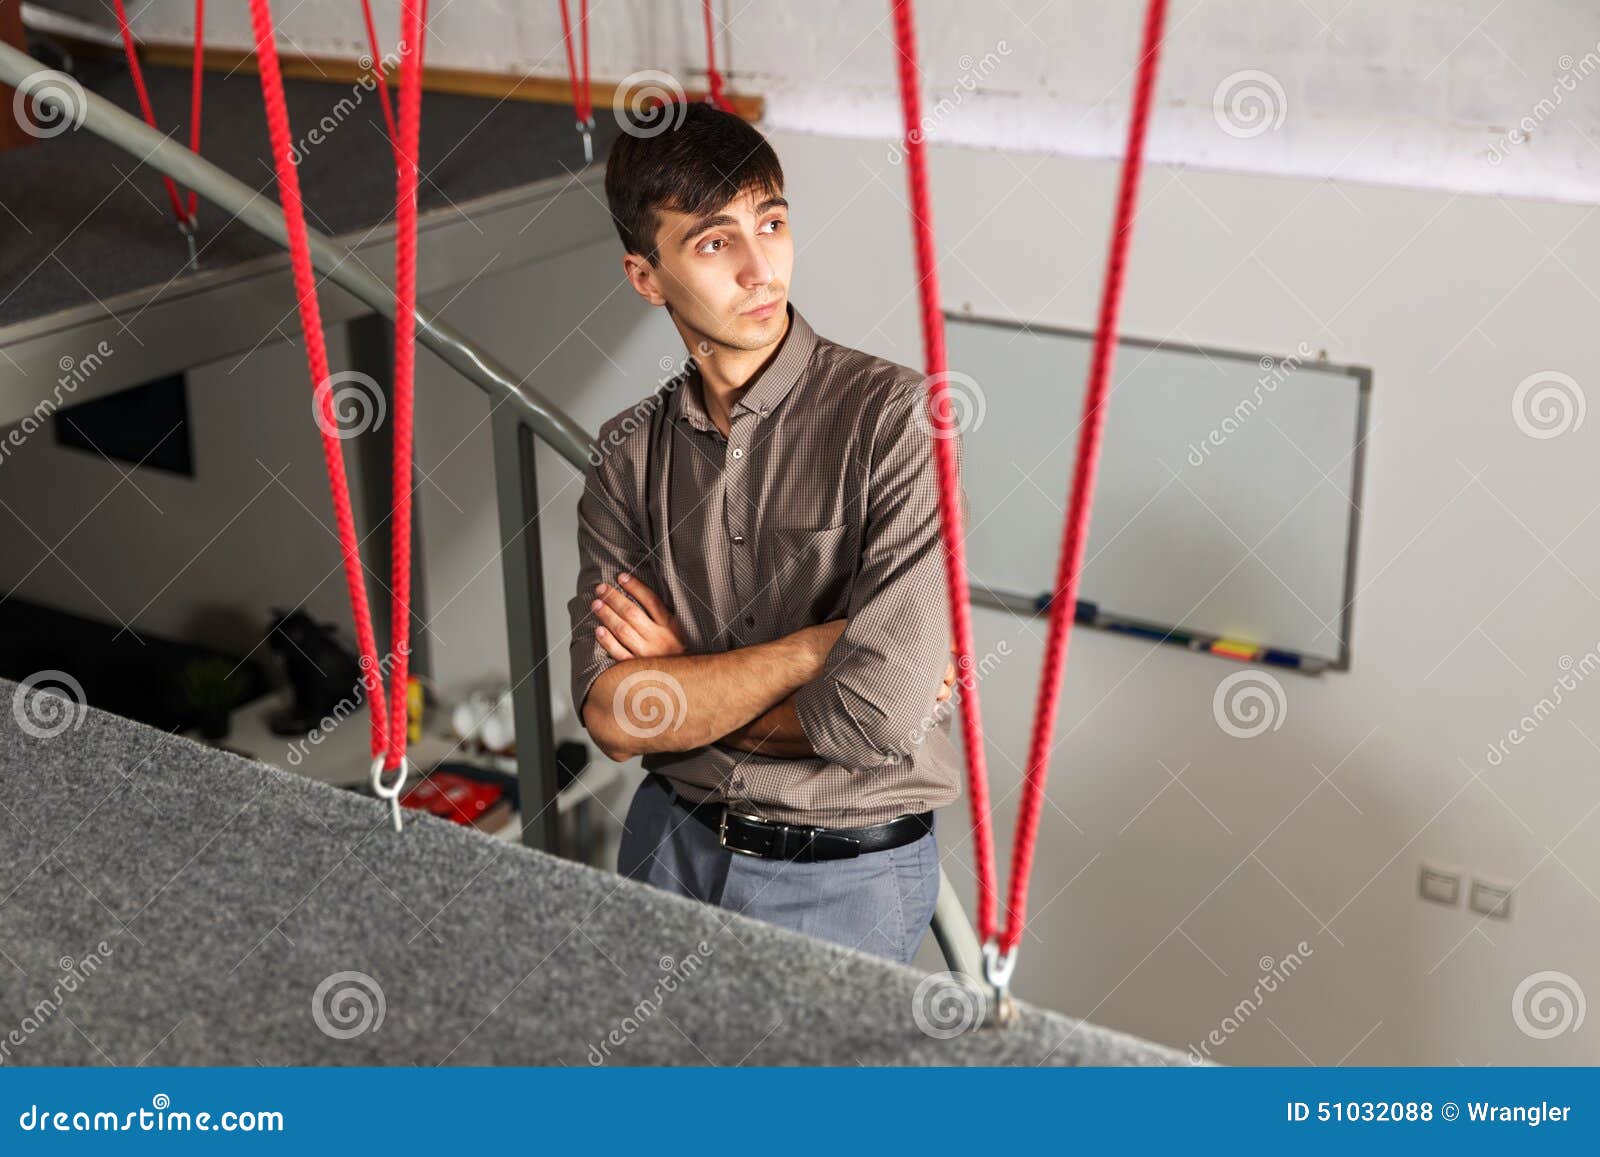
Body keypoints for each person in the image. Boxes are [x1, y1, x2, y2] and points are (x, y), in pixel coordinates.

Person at [567, 99, 966, 966]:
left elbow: (878, 714)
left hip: (843, 875)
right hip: (666, 845)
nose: (761, 270)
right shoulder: (625, 454)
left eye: (772, 225)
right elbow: (613, 715)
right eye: (716, 243)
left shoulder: (897, 419)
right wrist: (811, 652)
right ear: (646, 276)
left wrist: (684, 686)